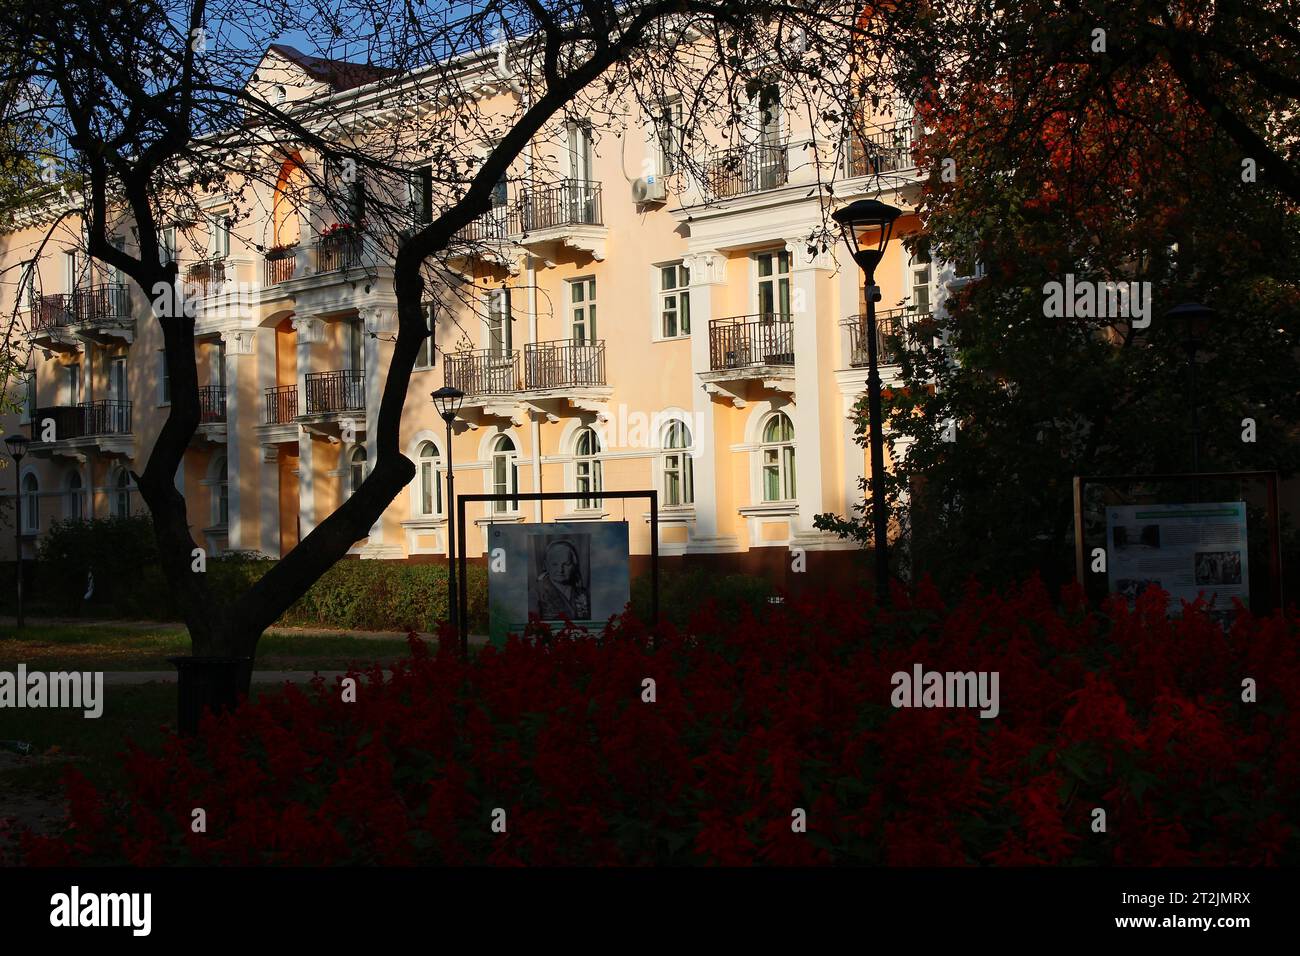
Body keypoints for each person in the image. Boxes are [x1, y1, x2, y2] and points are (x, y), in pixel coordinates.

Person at [535, 539, 590, 619]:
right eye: (554, 564)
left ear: (574, 566)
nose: (560, 570)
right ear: (546, 565)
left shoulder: (585, 594)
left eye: (566, 564)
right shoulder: (536, 594)